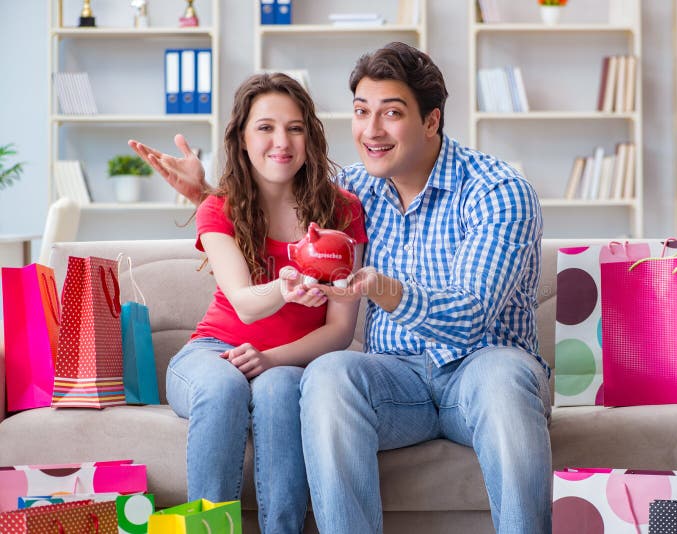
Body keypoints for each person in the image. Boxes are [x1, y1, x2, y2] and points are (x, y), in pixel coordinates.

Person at [131, 42, 550, 534]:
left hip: (481, 366)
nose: (371, 131)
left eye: (391, 113)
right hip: (396, 379)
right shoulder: (358, 189)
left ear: (431, 121)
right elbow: (273, 191)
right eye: (361, 112)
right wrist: (206, 195)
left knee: (503, 379)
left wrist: (385, 290)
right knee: (328, 374)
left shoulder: (497, 191)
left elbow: (471, 316)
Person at [131, 72, 367, 534]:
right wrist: (285, 287)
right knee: (224, 388)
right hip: (212, 352)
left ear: (310, 137)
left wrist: (270, 359)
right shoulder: (220, 208)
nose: (282, 141)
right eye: (265, 127)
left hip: (288, 363)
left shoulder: (342, 210)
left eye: (295, 128)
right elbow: (243, 303)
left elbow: (339, 330)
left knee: (280, 391)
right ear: (242, 138)